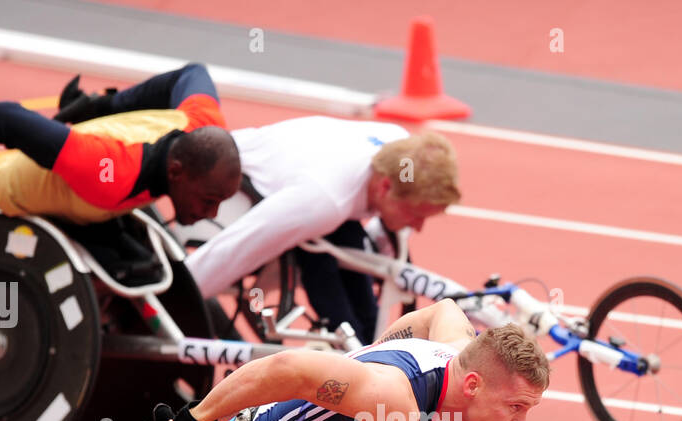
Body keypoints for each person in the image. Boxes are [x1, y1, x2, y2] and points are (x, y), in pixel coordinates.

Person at [54, 75, 462, 344]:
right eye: (418, 214)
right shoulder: (324, 199)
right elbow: (235, 249)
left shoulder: (397, 144)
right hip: (228, 181)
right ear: (387, 186)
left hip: (301, 192)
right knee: (329, 268)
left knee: (351, 252)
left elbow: (370, 234)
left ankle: (371, 351)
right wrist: (157, 308)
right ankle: (360, 354)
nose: (420, 227)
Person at [150, 300, 548, 421]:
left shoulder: (457, 349)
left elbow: (439, 311)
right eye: (515, 406)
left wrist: (372, 356)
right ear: (474, 385)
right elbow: (286, 368)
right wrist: (195, 418)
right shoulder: (394, 402)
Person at [0, 64, 241, 228]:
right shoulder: (109, 170)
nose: (210, 214)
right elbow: (5, 118)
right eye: (208, 201)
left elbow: (192, 74)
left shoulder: (205, 126)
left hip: (96, 203)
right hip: (13, 199)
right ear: (176, 172)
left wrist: (104, 104)